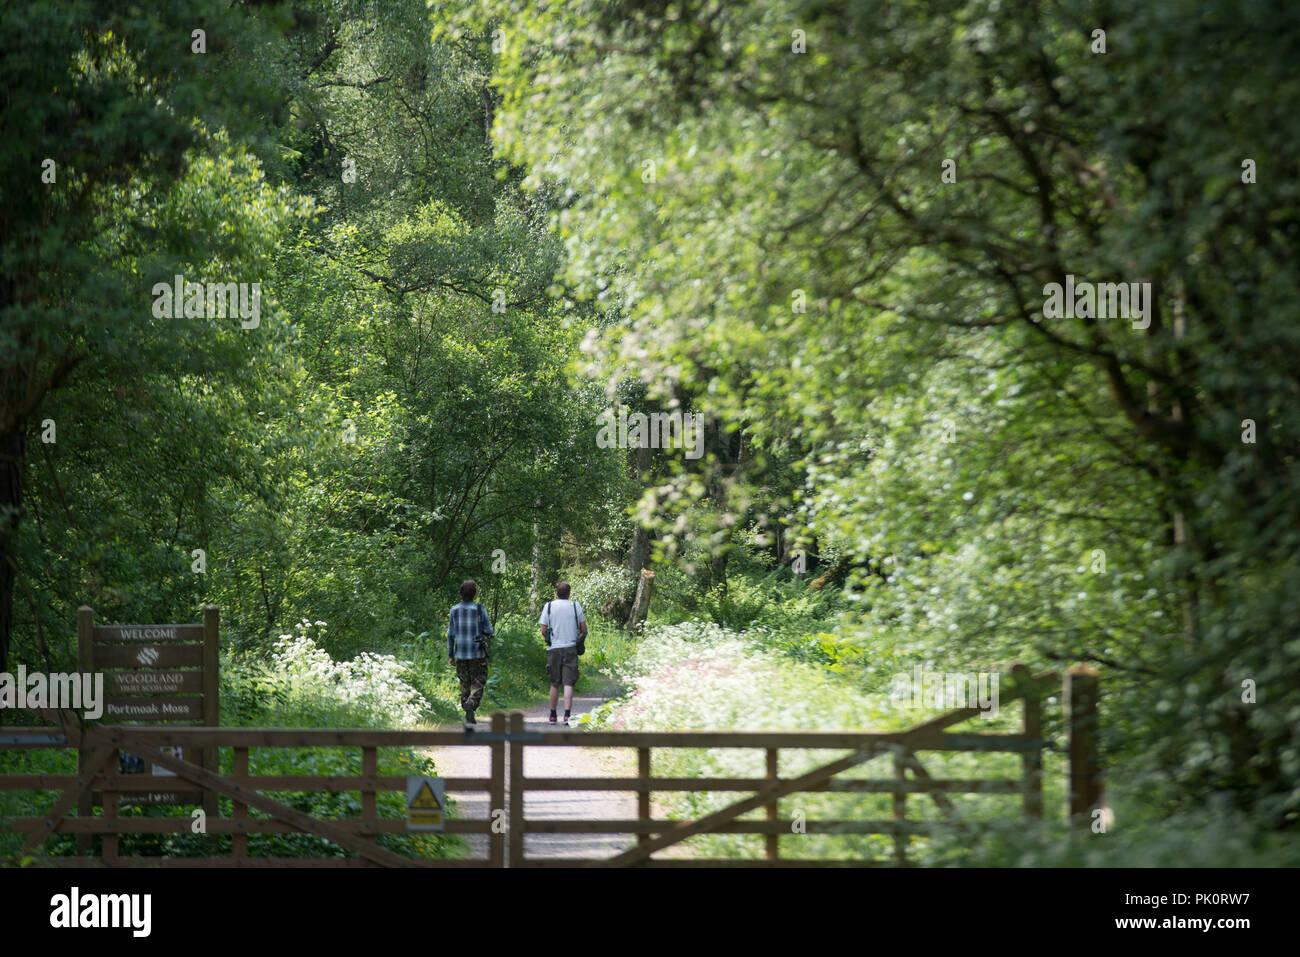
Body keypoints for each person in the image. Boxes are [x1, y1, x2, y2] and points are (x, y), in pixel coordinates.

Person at [447, 579, 494, 729]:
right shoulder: (480, 609)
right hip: (477, 653)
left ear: (461, 594)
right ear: (474, 594)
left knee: (464, 682)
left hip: (460, 652)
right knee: (478, 681)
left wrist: (451, 654)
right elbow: (489, 630)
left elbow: (450, 634)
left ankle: (466, 706)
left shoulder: (454, 610)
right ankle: (471, 703)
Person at [538, 581, 587, 725]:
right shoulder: (575, 606)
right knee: (568, 683)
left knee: (554, 683)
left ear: (556, 593)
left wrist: (550, 637)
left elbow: (543, 629)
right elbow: (584, 628)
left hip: (553, 649)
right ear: (569, 593)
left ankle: (553, 715)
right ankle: (567, 715)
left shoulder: (549, 606)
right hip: (571, 647)